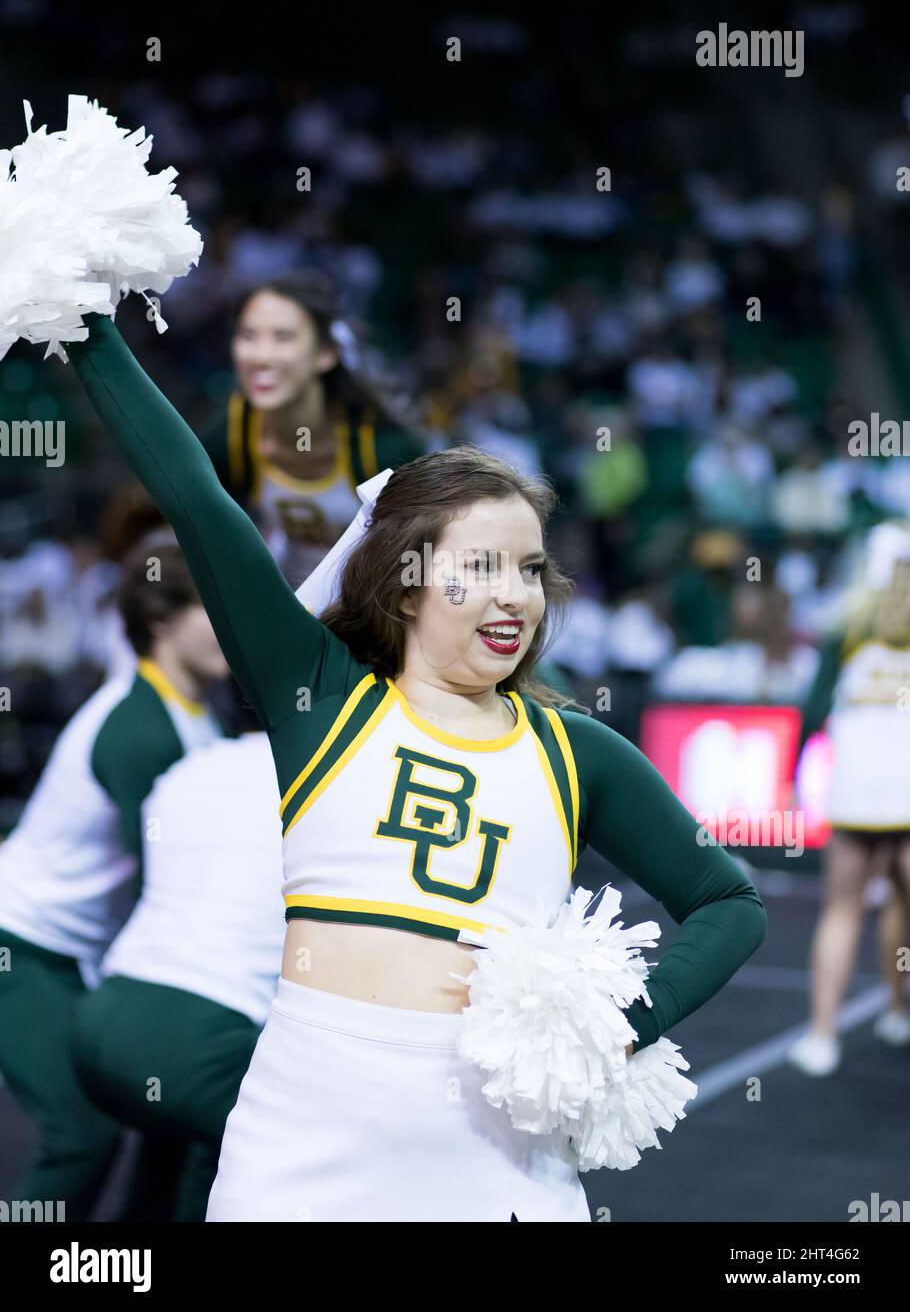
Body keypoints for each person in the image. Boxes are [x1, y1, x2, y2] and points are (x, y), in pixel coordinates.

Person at [66, 312, 767, 1222]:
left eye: (530, 568)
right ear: (405, 578)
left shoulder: (574, 750)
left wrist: (619, 1026)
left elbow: (731, 903)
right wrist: (85, 329)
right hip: (301, 1133)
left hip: (498, 1151)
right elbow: (198, 501)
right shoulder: (320, 696)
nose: (516, 594)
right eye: (482, 566)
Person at [0, 533, 229, 1218]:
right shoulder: (137, 726)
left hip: (74, 956)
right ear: (161, 621)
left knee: (166, 1116)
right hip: (22, 945)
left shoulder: (196, 724)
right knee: (83, 1134)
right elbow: (172, 886)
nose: (230, 623)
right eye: (209, 609)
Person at [72, 690, 285, 1221]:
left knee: (172, 1144)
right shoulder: (323, 778)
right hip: (199, 1032)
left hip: (104, 1016)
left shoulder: (187, 768)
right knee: (270, 1145)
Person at [196, 270, 431, 584]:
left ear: (326, 353)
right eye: (248, 336)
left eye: (283, 337)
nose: (261, 357)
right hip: (281, 608)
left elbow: (422, 561)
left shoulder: (385, 448)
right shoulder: (228, 439)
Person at [788, 525, 910, 1077]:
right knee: (901, 903)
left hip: (856, 789)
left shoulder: (847, 628)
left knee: (842, 909)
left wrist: (792, 775)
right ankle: (894, 1008)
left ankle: (822, 1033)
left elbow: (813, 710)